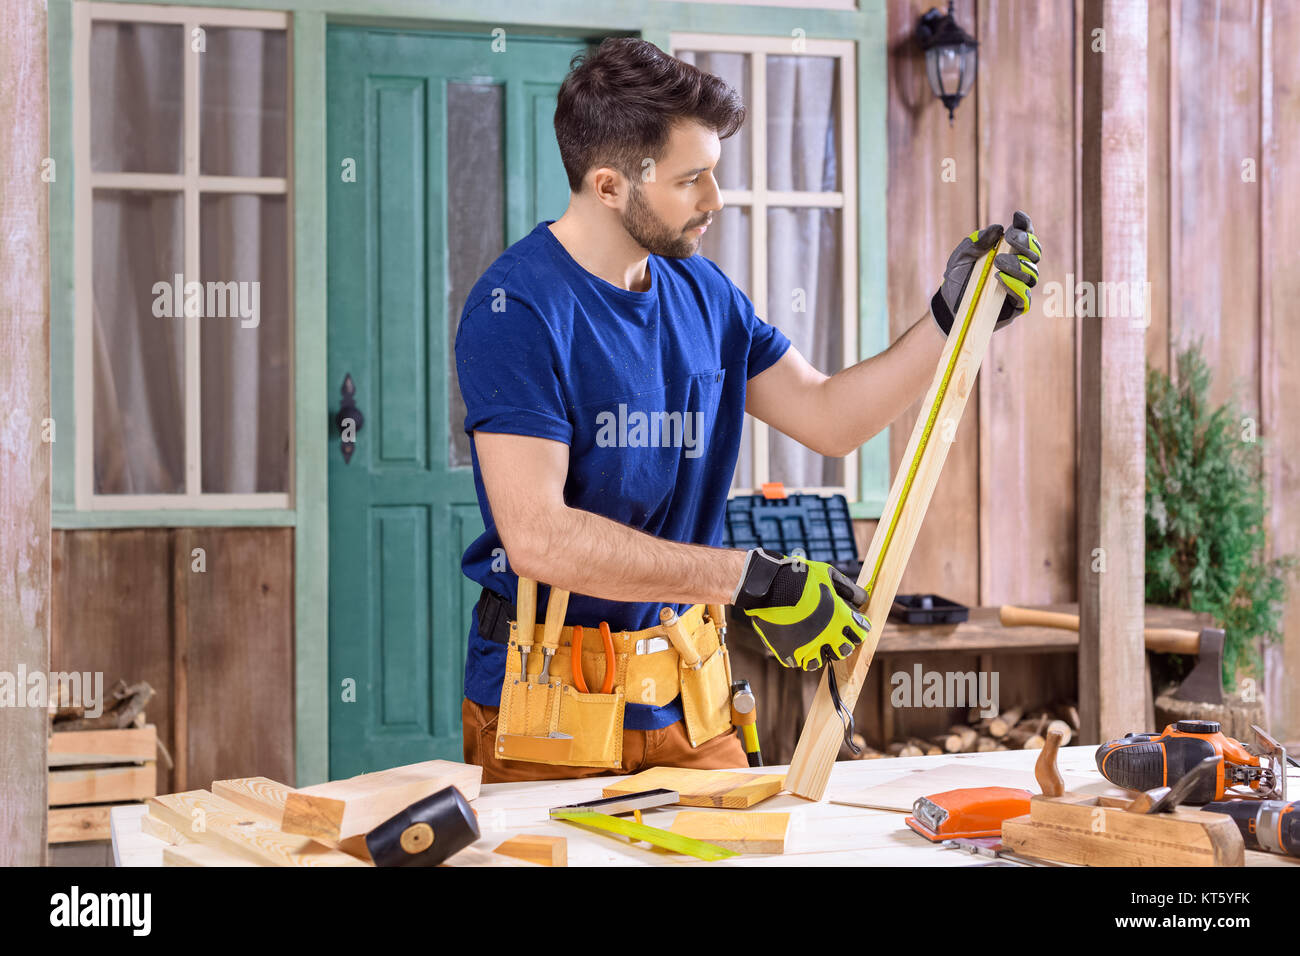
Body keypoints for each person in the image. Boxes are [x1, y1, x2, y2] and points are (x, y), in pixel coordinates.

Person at [456, 37, 1041, 783]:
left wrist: (950, 321)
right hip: (549, 705)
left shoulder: (704, 296)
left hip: (686, 689)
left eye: (716, 173)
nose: (716, 201)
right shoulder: (518, 309)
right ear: (608, 186)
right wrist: (751, 578)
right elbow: (540, 538)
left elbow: (830, 415)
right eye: (690, 180)